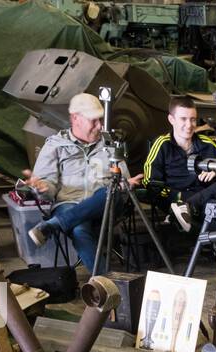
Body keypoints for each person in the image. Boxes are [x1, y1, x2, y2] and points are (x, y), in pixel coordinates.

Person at [24, 93, 141, 274]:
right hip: (68, 204)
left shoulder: (110, 145)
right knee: (79, 228)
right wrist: (43, 188)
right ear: (75, 118)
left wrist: (127, 183)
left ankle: (53, 225)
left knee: (109, 191)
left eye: (100, 120)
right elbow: (47, 187)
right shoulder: (55, 146)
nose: (100, 126)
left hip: (106, 206)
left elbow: (122, 181)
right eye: (93, 121)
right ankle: (105, 284)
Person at [139, 95, 216, 233]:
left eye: (193, 119)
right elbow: (150, 182)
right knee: (214, 209)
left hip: (205, 197)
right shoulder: (162, 144)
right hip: (175, 200)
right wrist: (177, 196)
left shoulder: (207, 143)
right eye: (183, 119)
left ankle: (191, 205)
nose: (189, 125)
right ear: (171, 119)